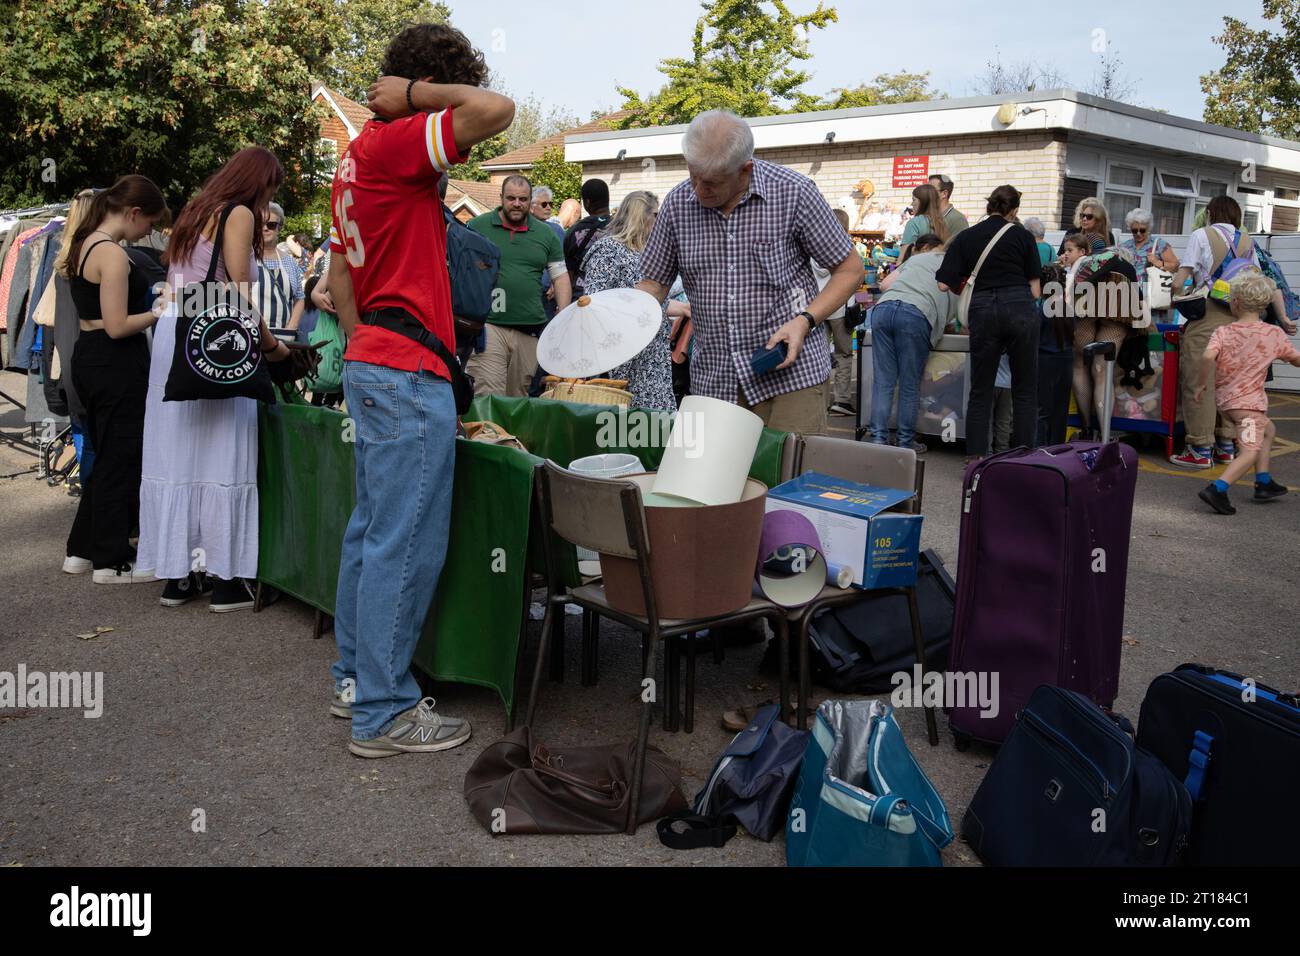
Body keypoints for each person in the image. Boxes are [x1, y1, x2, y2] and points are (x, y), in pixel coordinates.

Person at [325, 24, 515, 757]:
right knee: (405, 545)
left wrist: (361, 351)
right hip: (406, 370)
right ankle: (383, 710)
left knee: (372, 535)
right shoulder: (396, 141)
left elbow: (339, 277)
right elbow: (496, 109)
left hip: (379, 358)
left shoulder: (354, 158)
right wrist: (415, 96)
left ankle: (355, 683)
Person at [635, 110, 863, 436]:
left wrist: (805, 320)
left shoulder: (794, 193)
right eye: (693, 174)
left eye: (712, 182)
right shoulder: (676, 205)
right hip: (715, 382)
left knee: (787, 485)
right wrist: (617, 315)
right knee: (712, 486)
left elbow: (849, 269)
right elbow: (653, 284)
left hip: (789, 378)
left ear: (745, 169)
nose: (698, 190)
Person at [138, 146, 295, 611]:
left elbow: (181, 278)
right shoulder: (240, 213)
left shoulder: (195, 209)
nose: (268, 201)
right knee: (225, 453)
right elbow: (238, 292)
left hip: (177, 330)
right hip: (216, 337)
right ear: (258, 183)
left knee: (178, 452)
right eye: (270, 189)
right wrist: (273, 346)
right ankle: (225, 578)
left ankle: (178, 575)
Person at [61, 175, 169, 584]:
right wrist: (160, 310)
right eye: (150, 223)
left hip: (90, 359)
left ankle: (82, 549)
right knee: (119, 460)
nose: (150, 232)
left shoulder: (82, 243)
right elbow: (118, 325)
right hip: (113, 363)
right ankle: (111, 559)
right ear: (133, 213)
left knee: (106, 454)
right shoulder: (111, 254)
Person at [937, 185, 1042, 459]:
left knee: (981, 390)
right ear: (1015, 210)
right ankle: (1022, 460)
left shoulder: (966, 237)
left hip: (983, 310)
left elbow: (942, 285)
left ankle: (976, 462)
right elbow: (1035, 291)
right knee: (1025, 389)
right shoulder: (1023, 237)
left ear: (989, 206)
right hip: (1019, 308)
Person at [1195, 271, 1300, 515]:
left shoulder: (1223, 331)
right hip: (1249, 408)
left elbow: (1208, 356)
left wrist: (1201, 385)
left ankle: (1263, 482)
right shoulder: (1273, 334)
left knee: (1269, 431)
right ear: (1264, 305)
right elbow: (1296, 360)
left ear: (1236, 302)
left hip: (1227, 402)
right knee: (1249, 450)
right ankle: (1217, 489)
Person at [1169, 196, 1261, 468]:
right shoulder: (1248, 241)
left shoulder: (1201, 235)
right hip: (1238, 318)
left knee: (1200, 383)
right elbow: (1254, 276)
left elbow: (1182, 277)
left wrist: (1177, 291)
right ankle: (1225, 446)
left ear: (1209, 213)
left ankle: (1199, 448)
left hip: (1208, 316)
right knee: (1228, 383)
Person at [466, 176, 569, 396]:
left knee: (517, 400)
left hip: (530, 329)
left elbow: (560, 276)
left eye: (522, 199)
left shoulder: (546, 234)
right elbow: (460, 269)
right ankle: (484, 432)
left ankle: (508, 433)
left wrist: (563, 316)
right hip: (489, 325)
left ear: (530, 201)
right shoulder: (477, 226)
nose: (516, 203)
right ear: (501, 197)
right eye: (511, 198)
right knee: (488, 394)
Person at [578, 190, 681, 410]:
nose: (659, 220)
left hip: (653, 356)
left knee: (655, 426)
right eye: (655, 214)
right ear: (639, 216)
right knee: (621, 426)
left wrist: (687, 309)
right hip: (622, 357)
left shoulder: (650, 252)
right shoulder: (609, 249)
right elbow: (593, 303)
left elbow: (655, 301)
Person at [868, 234, 956, 452]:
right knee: (909, 385)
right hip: (916, 315)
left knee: (884, 382)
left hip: (884, 309)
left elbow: (885, 284)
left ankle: (878, 440)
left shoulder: (919, 258)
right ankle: (905, 443)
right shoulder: (960, 270)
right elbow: (958, 320)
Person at [814, 207, 857, 416]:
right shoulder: (846, 248)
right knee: (844, 355)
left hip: (818, 307)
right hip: (840, 307)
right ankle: (841, 399)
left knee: (819, 355)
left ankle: (820, 399)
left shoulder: (813, 246)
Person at [256, 201, 305, 332]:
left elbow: (299, 298)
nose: (265, 228)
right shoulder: (247, 258)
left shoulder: (289, 262)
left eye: (271, 225)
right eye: (260, 224)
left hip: (284, 336)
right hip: (252, 335)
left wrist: (291, 328)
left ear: (280, 228)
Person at [564, 178, 612, 292]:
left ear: (587, 202)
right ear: (608, 200)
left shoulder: (573, 232)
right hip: (612, 297)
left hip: (581, 299)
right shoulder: (623, 228)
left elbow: (567, 275)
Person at [531, 186, 565, 320]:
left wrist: (554, 284)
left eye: (550, 204)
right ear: (531, 207)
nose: (549, 207)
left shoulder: (556, 230)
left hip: (547, 295)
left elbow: (562, 262)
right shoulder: (524, 229)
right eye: (544, 204)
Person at [899, 184, 950, 260]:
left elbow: (903, 258)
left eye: (914, 200)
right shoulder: (944, 222)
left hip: (917, 269)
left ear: (922, 202)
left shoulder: (914, 223)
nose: (911, 204)